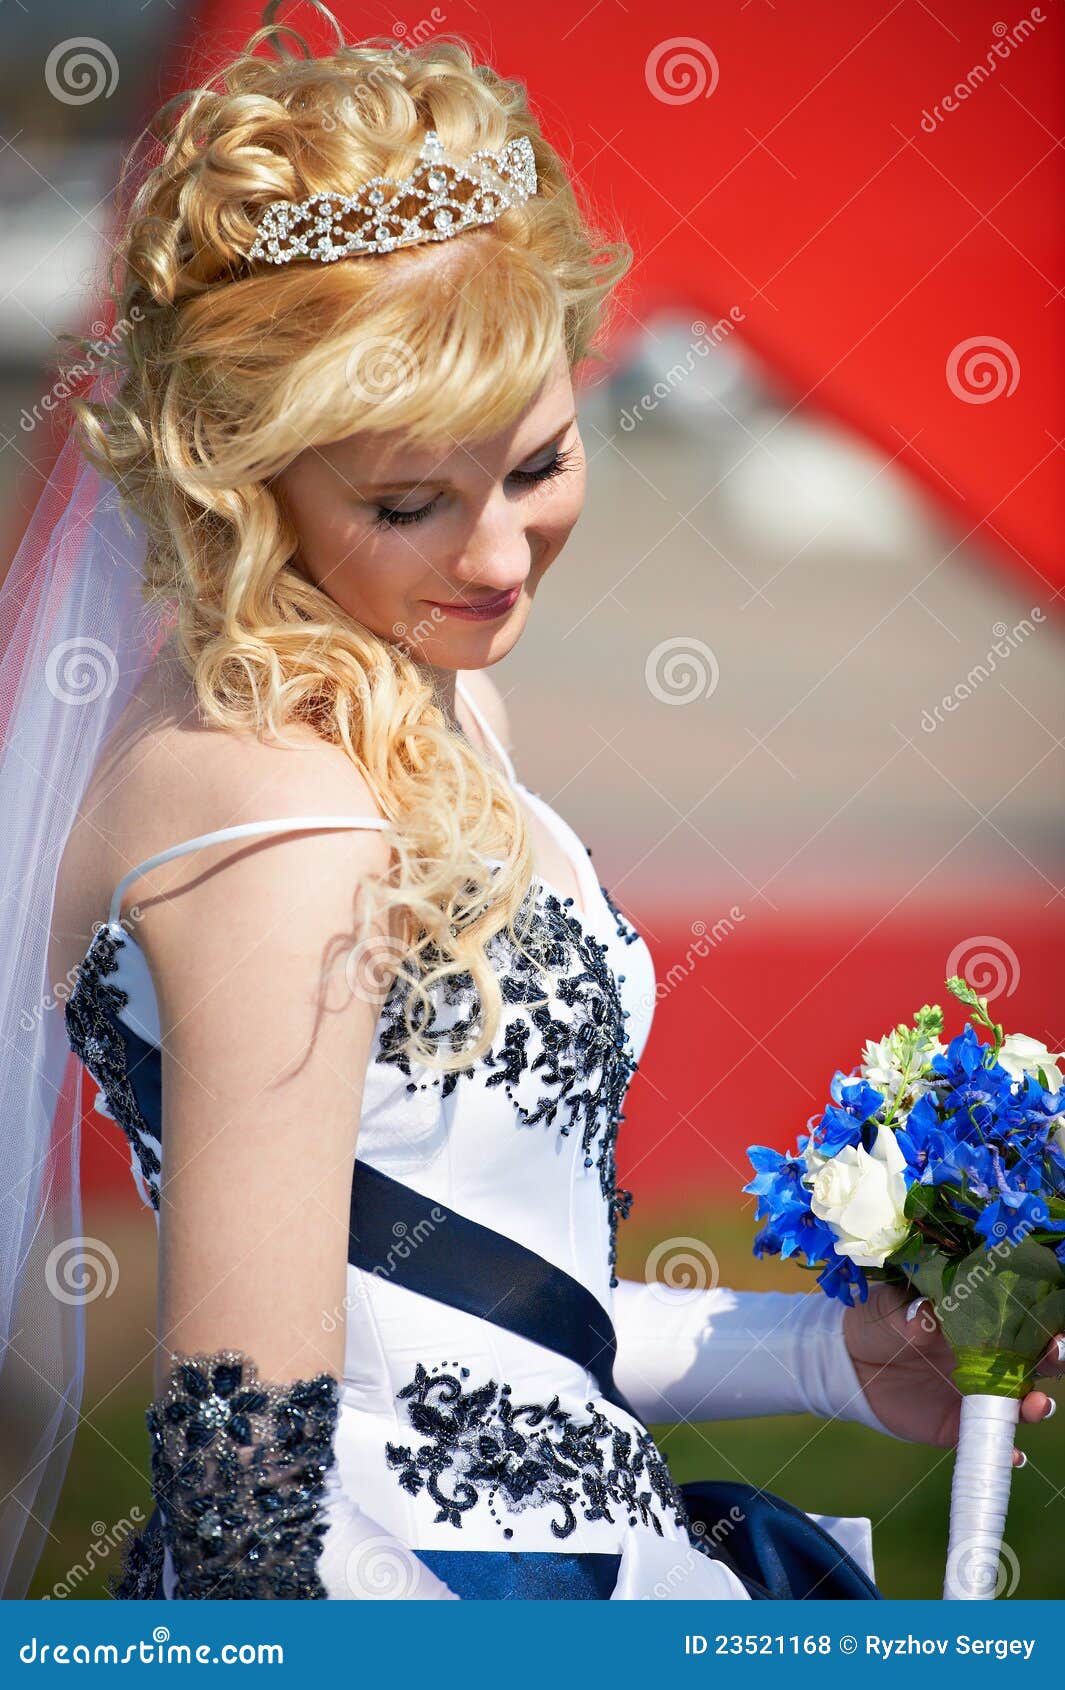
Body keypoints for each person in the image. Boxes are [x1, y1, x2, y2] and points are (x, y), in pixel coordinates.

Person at [3, 5, 1059, 1602]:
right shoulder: (275, 816)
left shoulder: (430, 697)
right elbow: (248, 1474)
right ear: (244, 481)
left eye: (540, 463)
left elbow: (488, 1334)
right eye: (410, 501)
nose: (497, 558)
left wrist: (840, 1360)